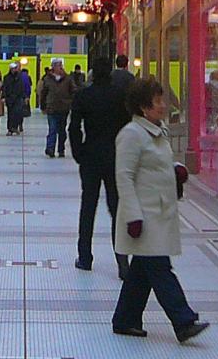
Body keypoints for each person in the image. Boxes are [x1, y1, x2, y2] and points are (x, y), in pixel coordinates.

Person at [112, 77, 207, 342]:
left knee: (143, 270)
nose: (163, 105)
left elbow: (158, 164)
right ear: (144, 108)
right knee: (159, 267)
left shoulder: (157, 131)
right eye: (158, 101)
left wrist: (177, 170)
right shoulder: (131, 134)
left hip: (160, 210)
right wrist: (133, 216)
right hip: (145, 214)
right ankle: (183, 321)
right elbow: (124, 176)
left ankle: (125, 319)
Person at [68, 56, 129, 278]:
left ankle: (85, 257)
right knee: (117, 208)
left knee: (88, 206)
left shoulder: (83, 95)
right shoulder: (120, 96)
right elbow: (128, 126)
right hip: (115, 156)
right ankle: (122, 262)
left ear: (93, 72)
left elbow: (74, 127)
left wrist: (79, 153)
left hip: (91, 156)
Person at [39, 59, 74, 158]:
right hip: (51, 108)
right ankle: (50, 148)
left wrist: (70, 102)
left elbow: (73, 90)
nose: (60, 67)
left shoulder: (67, 79)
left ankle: (61, 149)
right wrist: (43, 105)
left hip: (63, 108)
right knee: (52, 129)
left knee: (62, 131)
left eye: (61, 65)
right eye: (58, 65)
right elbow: (44, 93)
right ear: (53, 67)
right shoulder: (48, 79)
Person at [2, 61, 25, 135]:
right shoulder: (6, 77)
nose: (14, 70)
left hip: (18, 98)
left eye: (15, 68)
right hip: (10, 98)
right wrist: (4, 97)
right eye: (13, 69)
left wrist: (23, 96)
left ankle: (15, 127)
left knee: (17, 114)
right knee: (10, 115)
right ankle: (10, 129)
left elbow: (22, 87)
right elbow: (4, 88)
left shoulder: (19, 77)